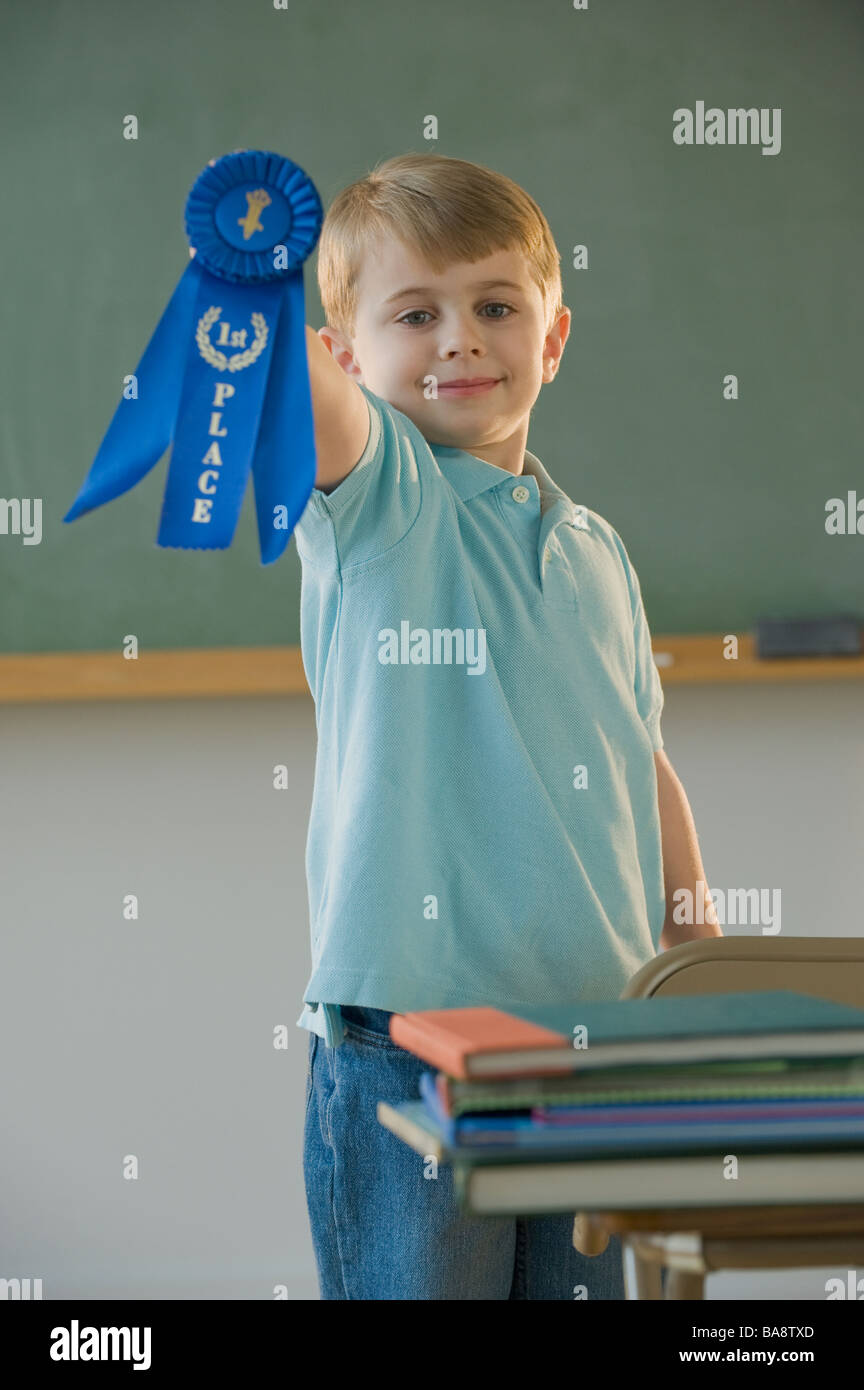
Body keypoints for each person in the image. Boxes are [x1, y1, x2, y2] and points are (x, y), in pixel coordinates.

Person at [295, 153, 722, 1299]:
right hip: (411, 1034)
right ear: (346, 354)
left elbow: (646, 760)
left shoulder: (596, 548)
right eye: (414, 314)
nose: (458, 341)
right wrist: (252, 296)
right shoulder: (382, 498)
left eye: (495, 307)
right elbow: (312, 405)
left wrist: (696, 941)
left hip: (591, 1034)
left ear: (555, 337)